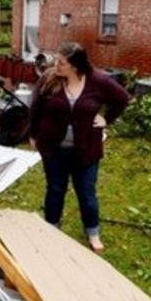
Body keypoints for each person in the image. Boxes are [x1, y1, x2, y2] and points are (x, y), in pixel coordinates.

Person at [29, 42, 130, 254]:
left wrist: (106, 118)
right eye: (57, 60)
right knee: (55, 189)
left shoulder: (97, 81)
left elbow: (122, 98)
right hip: (53, 148)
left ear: (75, 65)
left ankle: (93, 232)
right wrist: (32, 134)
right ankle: (52, 227)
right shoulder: (49, 79)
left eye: (61, 62)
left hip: (86, 150)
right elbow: (35, 107)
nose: (56, 65)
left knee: (86, 193)